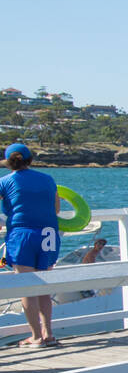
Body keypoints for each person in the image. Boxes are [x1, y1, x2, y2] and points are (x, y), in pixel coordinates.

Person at [0, 143, 61, 347]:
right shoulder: (48, 179)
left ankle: (35, 337)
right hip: (48, 234)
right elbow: (57, 209)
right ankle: (48, 334)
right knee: (44, 287)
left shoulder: (5, 181)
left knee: (27, 287)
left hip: (22, 234)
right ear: (30, 160)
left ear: (9, 162)